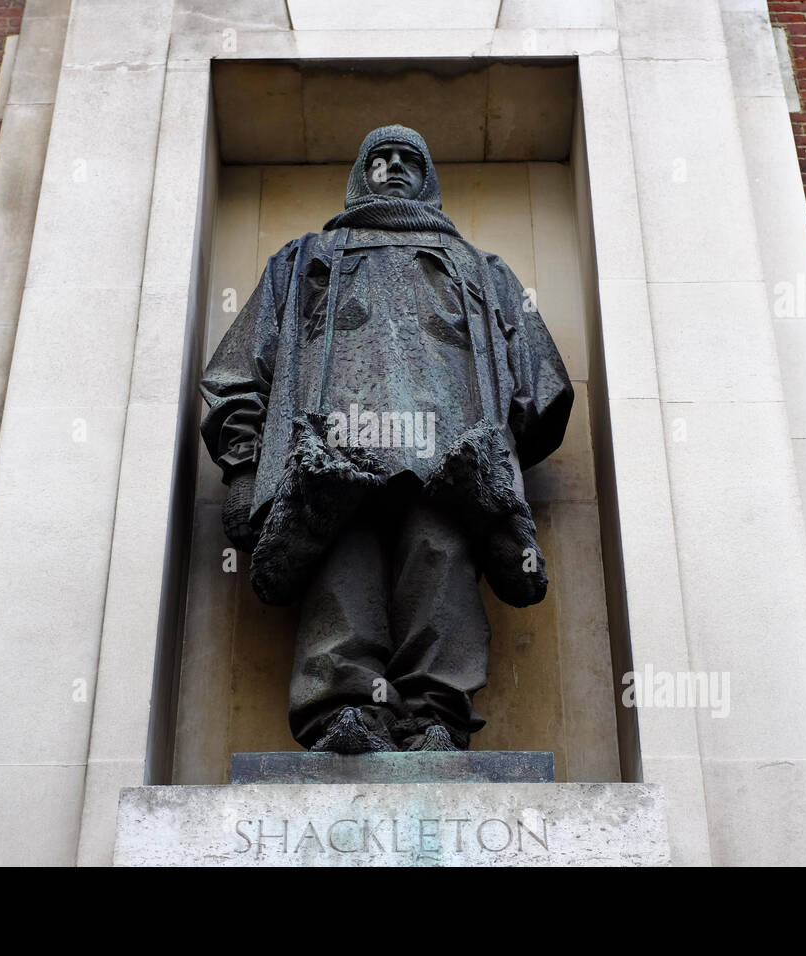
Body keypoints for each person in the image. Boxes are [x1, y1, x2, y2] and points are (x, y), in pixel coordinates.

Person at [199, 124, 572, 754]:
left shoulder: (482, 269)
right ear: (360, 172)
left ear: (428, 176)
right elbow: (238, 371)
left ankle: (434, 716)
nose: (394, 166)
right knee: (343, 568)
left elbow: (544, 383)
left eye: (409, 158)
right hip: (336, 456)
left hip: (446, 460)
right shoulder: (302, 260)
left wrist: (496, 461)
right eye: (380, 157)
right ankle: (344, 709)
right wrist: (242, 468)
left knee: (441, 564)